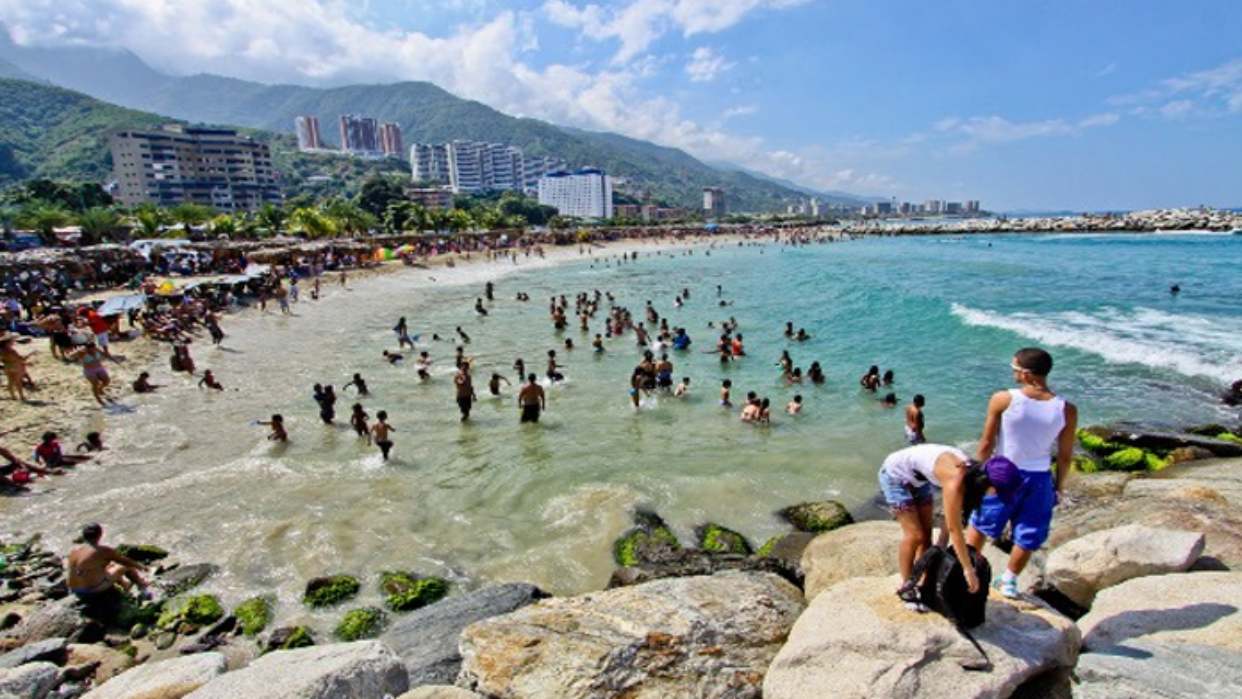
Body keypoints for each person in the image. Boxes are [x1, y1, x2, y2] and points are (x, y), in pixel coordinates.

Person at [966, 347, 1078, 599]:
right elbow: (1064, 455)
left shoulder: (1004, 399)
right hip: (1039, 478)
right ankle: (1009, 581)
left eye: (1014, 369)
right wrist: (1058, 486)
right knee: (1028, 531)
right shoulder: (1066, 409)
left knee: (981, 523)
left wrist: (973, 475)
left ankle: (967, 572)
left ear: (1027, 374)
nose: (1013, 373)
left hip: (1003, 473)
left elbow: (986, 444)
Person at [878, 445, 1021, 609]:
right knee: (915, 535)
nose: (997, 497)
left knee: (926, 538)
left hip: (919, 479)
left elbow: (951, 517)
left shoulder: (973, 475)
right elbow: (955, 529)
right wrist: (968, 570)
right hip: (894, 476)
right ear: (991, 485)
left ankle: (923, 584)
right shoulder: (956, 481)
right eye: (1000, 493)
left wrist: (940, 547)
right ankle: (906, 586)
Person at [66, 523, 150, 607]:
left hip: (75, 590)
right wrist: (142, 567)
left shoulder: (74, 550)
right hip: (92, 590)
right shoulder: (103, 550)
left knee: (110, 566)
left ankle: (125, 586)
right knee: (125, 566)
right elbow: (124, 561)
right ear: (100, 535)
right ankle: (143, 589)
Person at [69, 341, 112, 406]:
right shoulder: (82, 353)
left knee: (107, 381)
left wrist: (108, 356)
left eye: (94, 348)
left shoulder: (96, 349)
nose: (93, 350)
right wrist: (78, 351)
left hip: (99, 368)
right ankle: (98, 399)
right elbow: (71, 356)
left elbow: (104, 354)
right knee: (95, 384)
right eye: (91, 349)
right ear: (87, 348)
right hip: (89, 371)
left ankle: (100, 389)